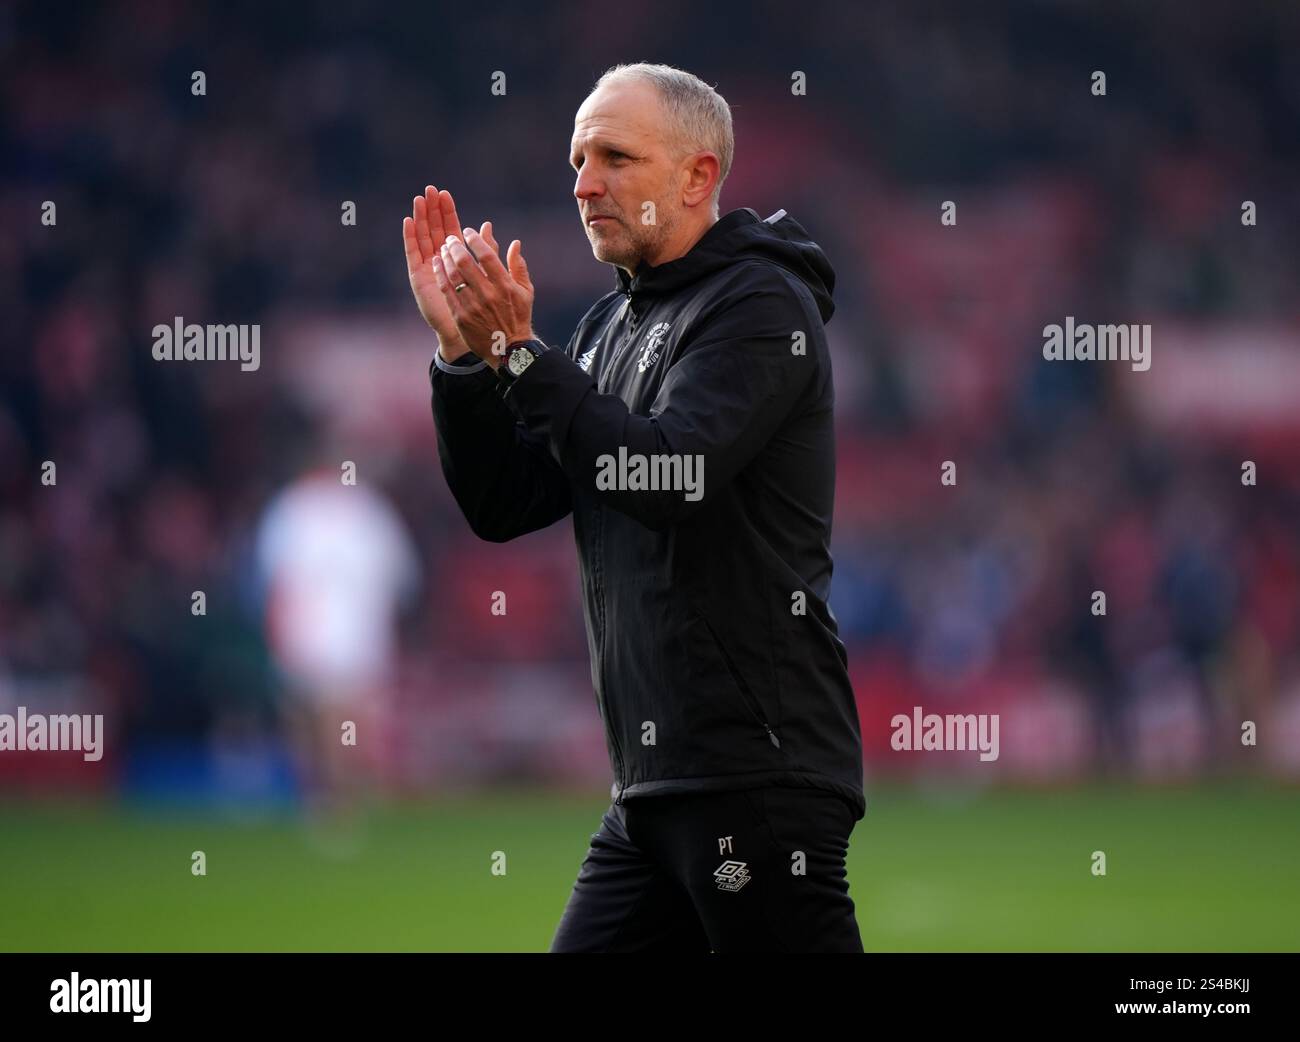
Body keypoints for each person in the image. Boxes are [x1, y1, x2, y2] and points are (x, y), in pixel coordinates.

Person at [403, 62, 865, 952]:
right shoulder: (609, 328)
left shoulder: (761, 306)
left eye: (614, 156)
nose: (583, 183)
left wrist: (525, 356)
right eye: (578, 159)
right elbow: (506, 504)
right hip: (652, 793)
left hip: (754, 777)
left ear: (697, 176)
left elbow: (666, 476)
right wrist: (466, 359)